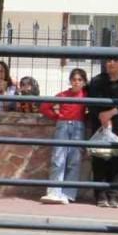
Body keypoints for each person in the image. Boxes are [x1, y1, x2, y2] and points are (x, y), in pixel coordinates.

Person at [39, 68, 88, 205]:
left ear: (84, 82)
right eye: (74, 79)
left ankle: (68, 194)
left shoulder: (86, 96)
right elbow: (44, 107)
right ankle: (54, 192)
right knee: (58, 158)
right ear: (70, 81)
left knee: (74, 160)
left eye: (79, 80)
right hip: (63, 126)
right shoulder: (63, 95)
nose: (76, 82)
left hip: (79, 126)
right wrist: (58, 117)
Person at [86, 58, 118, 208]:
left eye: (115, 60)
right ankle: (100, 196)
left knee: (117, 161)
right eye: (109, 60)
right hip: (99, 124)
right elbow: (91, 102)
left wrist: (112, 112)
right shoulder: (97, 81)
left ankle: (114, 196)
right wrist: (101, 115)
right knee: (99, 159)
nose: (111, 63)